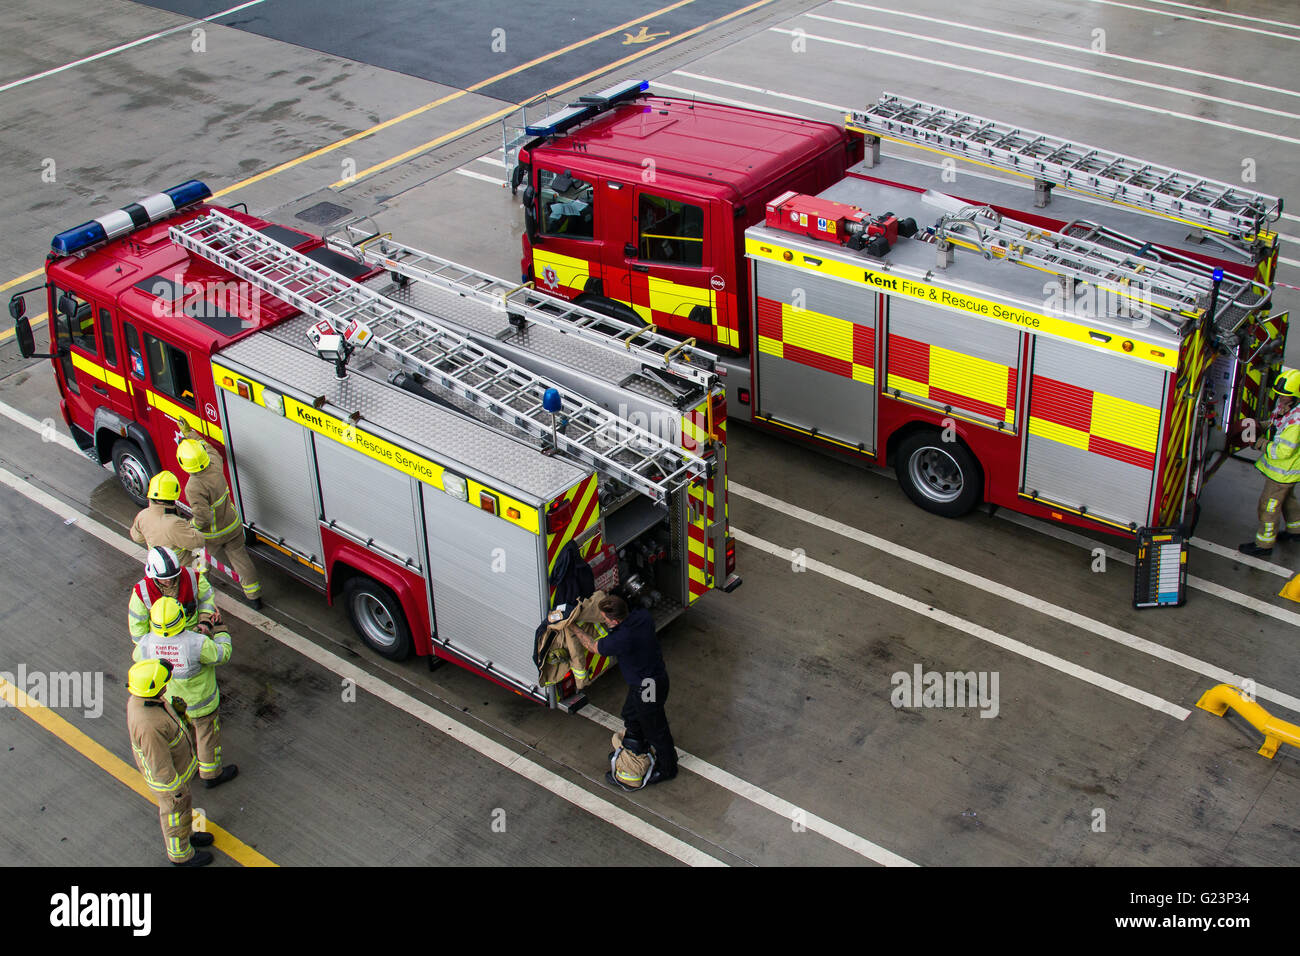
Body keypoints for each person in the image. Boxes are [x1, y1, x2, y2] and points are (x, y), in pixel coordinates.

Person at [134, 597, 238, 789]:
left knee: (184, 735)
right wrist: (221, 630)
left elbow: (138, 658)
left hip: (174, 704)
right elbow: (222, 654)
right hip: (202, 704)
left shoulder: (147, 643)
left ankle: (190, 765)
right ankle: (211, 773)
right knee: (207, 737)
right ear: (181, 617)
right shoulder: (197, 643)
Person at [574, 594, 677, 788]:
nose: (604, 621)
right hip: (653, 678)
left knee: (656, 728)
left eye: (605, 619)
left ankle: (668, 768)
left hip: (647, 687)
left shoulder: (622, 638)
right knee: (630, 714)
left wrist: (572, 627)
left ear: (614, 620)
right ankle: (637, 745)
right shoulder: (641, 617)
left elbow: (593, 646)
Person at [125, 658, 214, 866]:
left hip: (176, 774)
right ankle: (181, 855)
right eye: (164, 681)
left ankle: (188, 835)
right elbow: (159, 764)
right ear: (154, 688)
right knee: (175, 815)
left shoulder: (146, 699)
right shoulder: (148, 725)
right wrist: (176, 790)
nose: (167, 683)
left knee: (183, 812)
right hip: (170, 783)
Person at [176, 423, 262, 609]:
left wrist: (191, 526)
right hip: (232, 524)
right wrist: (191, 434)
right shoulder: (214, 463)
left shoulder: (193, 486)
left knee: (201, 563)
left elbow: (202, 517)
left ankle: (197, 596)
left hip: (211, 535)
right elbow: (206, 447)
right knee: (241, 559)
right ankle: (254, 597)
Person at [1239, 370, 1300, 557]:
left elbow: (1282, 451)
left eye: (1285, 396)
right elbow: (1276, 423)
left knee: (1268, 506)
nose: (1280, 398)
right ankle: (1295, 531)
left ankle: (1263, 545)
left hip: (1282, 473)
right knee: (1288, 500)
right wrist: (1260, 425)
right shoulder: (1289, 407)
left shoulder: (1297, 422)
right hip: (1287, 473)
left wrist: (1259, 443)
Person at [128, 546, 219, 643]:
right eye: (164, 578)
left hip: (193, 634)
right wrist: (145, 647)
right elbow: (138, 624)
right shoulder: (142, 591)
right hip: (162, 641)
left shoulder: (192, 576)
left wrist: (204, 621)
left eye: (173, 576)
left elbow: (207, 599)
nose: (168, 580)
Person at [129, 470, 206, 570]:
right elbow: (198, 542)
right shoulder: (173, 524)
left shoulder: (142, 515)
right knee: (203, 565)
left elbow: (137, 537)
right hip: (183, 569)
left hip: (159, 567)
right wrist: (191, 526)